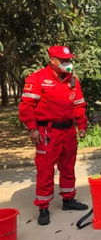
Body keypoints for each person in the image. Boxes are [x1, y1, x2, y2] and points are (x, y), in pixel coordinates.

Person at [18, 45, 89, 225]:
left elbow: (79, 104)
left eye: (68, 60)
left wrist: (81, 125)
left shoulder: (72, 80)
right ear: (52, 60)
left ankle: (68, 199)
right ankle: (43, 206)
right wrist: (32, 129)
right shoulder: (37, 79)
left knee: (68, 165)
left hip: (68, 131)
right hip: (47, 132)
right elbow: (27, 106)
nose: (67, 63)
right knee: (45, 169)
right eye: (63, 60)